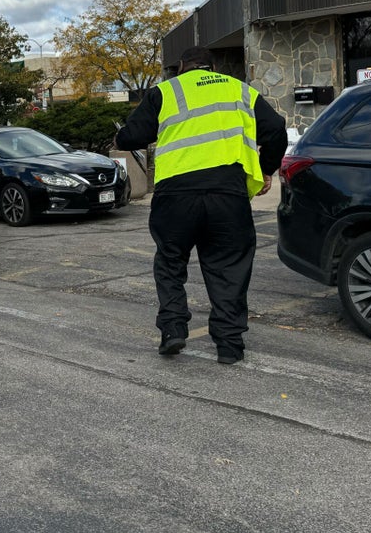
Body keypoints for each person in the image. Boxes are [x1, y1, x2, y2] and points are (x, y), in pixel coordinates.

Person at [115, 46, 287, 364]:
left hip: (175, 195)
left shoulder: (164, 92)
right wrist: (266, 169)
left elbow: (130, 138)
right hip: (228, 195)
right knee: (228, 268)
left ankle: (173, 329)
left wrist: (123, 135)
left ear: (182, 66)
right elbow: (277, 128)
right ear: (212, 67)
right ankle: (229, 346)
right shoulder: (240, 90)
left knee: (170, 262)